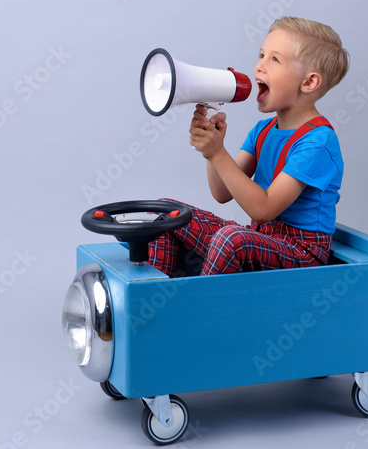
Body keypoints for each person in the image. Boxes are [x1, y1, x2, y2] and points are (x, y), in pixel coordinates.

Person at [148, 16, 349, 276]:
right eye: (262, 55)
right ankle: (153, 305)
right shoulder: (262, 131)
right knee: (165, 213)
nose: (259, 67)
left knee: (232, 239)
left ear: (308, 82)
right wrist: (211, 150)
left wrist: (219, 154)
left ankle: (197, 313)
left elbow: (263, 210)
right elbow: (222, 193)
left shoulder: (317, 141)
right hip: (260, 239)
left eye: (274, 59)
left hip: (301, 253)